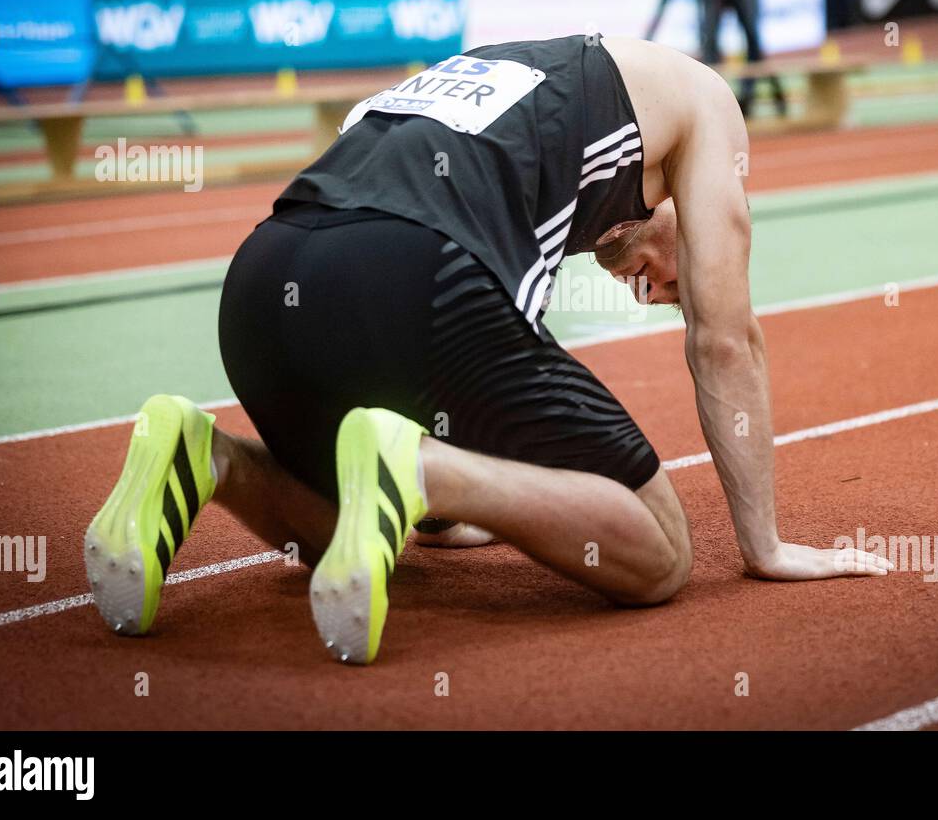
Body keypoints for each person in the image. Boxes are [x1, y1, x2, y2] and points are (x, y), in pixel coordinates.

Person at [83, 34, 892, 665]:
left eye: (652, 293)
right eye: (669, 281)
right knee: (660, 557)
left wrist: (453, 512)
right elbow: (724, 339)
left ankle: (209, 459)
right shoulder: (699, 96)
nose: (655, 293)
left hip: (261, 284)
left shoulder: (518, 90)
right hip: (412, 273)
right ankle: (419, 467)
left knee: (353, 526)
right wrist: (765, 548)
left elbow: (464, 380)